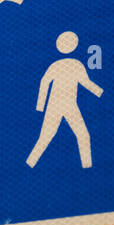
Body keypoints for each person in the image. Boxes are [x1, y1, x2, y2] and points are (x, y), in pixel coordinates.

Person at [29, 31, 102, 168]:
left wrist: (40, 106)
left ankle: (87, 166)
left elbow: (45, 82)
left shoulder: (66, 65)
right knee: (76, 135)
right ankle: (30, 163)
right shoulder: (72, 64)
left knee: (79, 135)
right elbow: (45, 82)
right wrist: (40, 106)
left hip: (65, 105)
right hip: (59, 105)